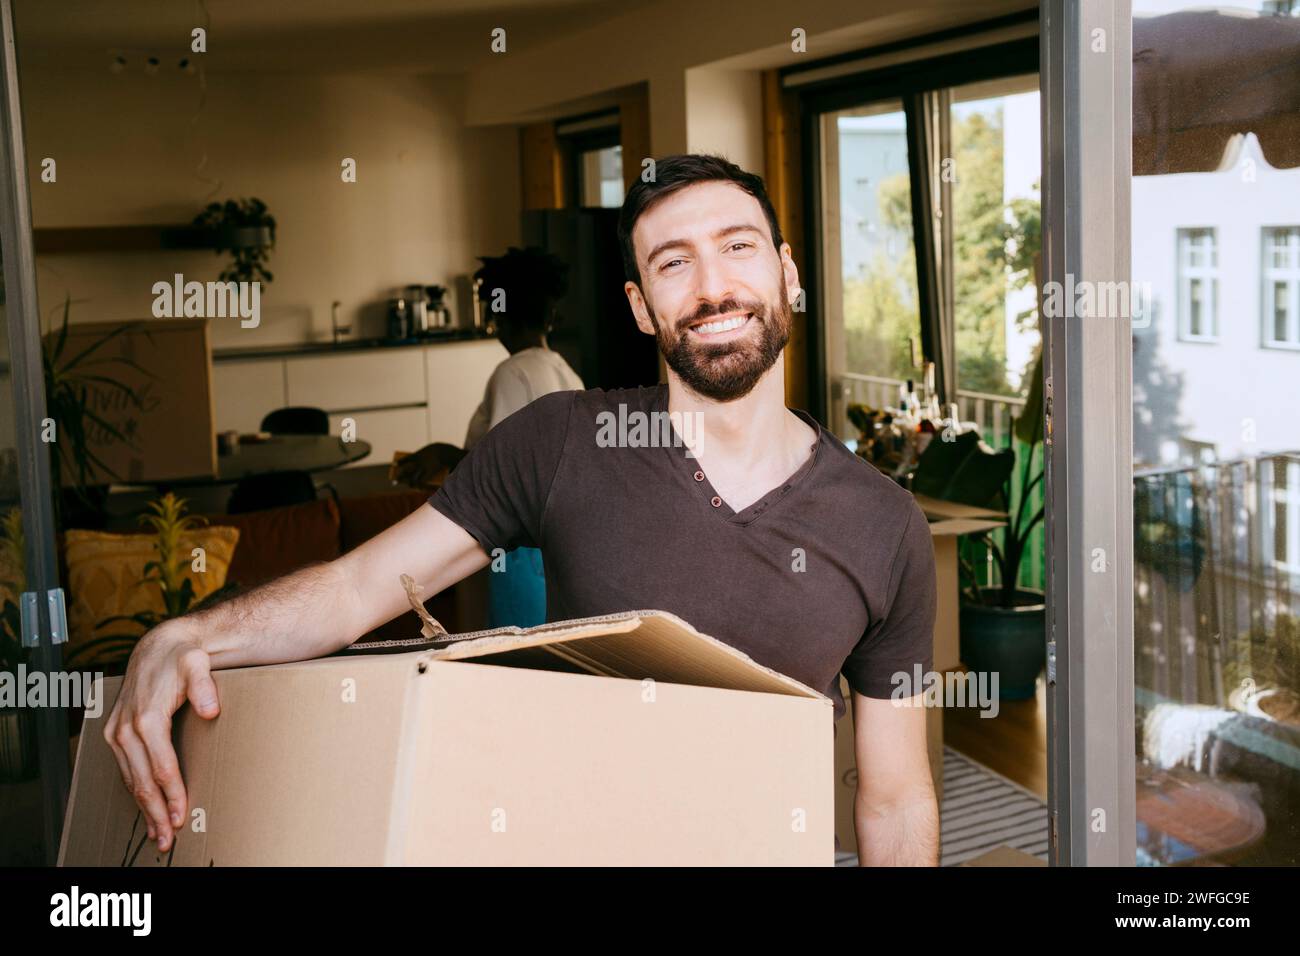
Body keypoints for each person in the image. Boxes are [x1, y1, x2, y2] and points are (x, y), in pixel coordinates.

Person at [105, 154, 940, 865]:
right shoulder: (561, 444)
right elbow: (362, 588)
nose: (714, 286)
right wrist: (188, 633)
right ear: (641, 305)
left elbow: (896, 796)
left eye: (738, 247)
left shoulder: (885, 525)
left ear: (787, 272)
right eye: (673, 263)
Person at [394, 247, 583, 627]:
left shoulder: (512, 372)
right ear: (550, 314)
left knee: (513, 655)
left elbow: (501, 475)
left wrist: (445, 456)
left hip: (518, 549)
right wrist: (448, 453)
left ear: (500, 315)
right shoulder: (565, 371)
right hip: (557, 542)